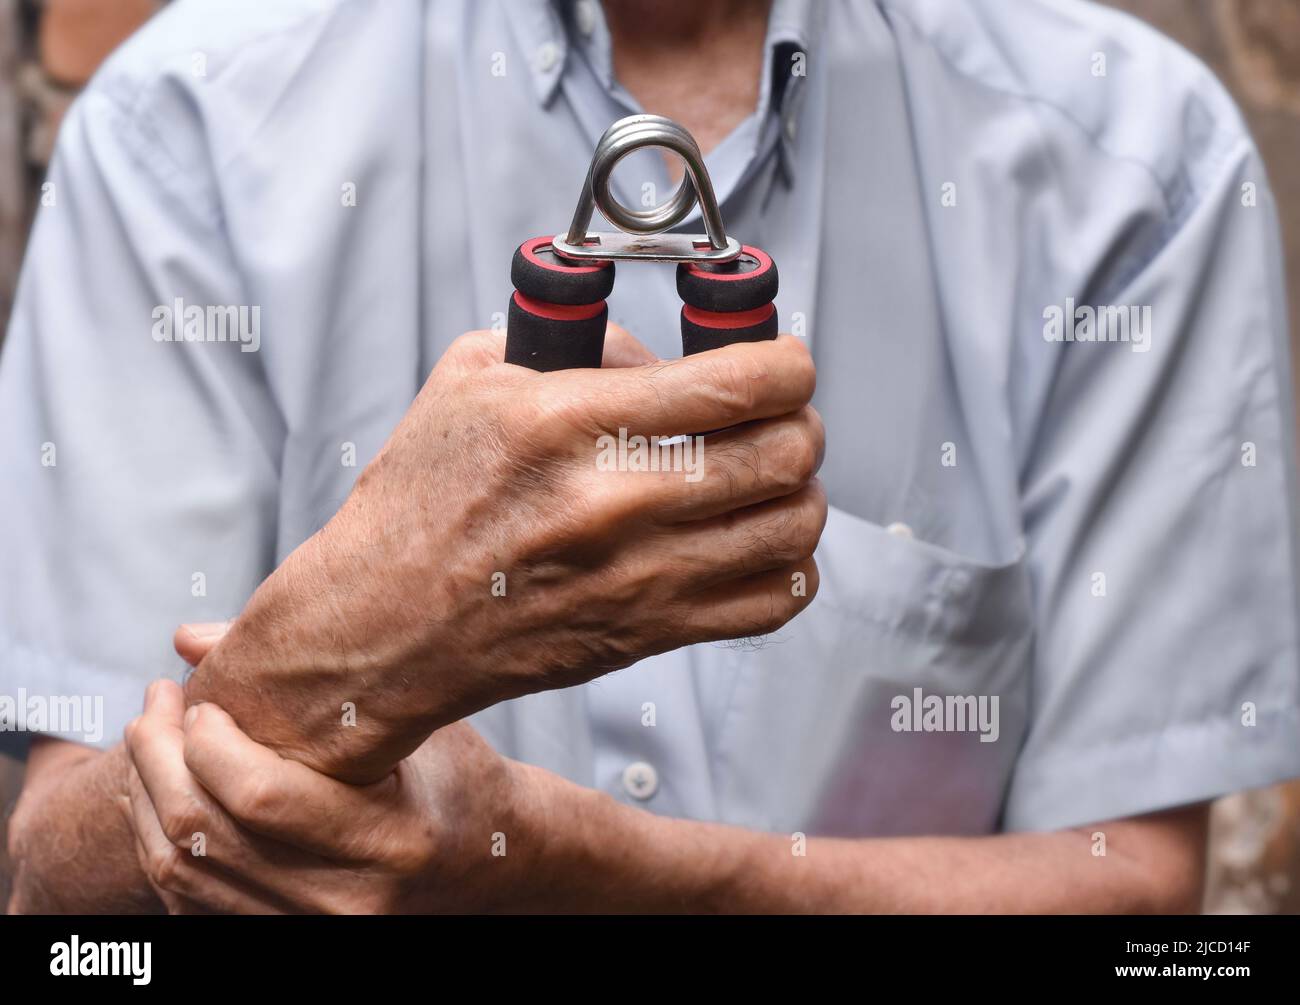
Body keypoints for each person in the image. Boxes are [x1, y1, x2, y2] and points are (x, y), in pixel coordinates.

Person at [4, 0, 1297, 913]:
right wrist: (358, 629)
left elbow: (1130, 891)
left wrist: (555, 865)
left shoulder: (1134, 166)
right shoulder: (185, 128)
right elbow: (59, 888)